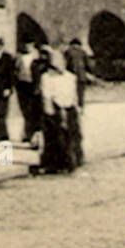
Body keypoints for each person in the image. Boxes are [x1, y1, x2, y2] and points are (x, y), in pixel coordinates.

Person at [32, 46, 83, 174]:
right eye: (55, 62)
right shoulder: (47, 77)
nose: (59, 65)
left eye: (61, 61)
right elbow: (46, 95)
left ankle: (72, 161)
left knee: (72, 135)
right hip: (55, 110)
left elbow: (73, 94)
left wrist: (77, 107)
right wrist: (49, 111)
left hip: (69, 109)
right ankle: (54, 163)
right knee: (54, 137)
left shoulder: (70, 77)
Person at [13, 41, 42, 143]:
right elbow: (15, 70)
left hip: (33, 85)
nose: (27, 47)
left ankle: (32, 134)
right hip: (22, 85)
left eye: (29, 45)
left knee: (33, 110)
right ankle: (27, 133)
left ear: (33, 46)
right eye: (25, 45)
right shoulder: (19, 57)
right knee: (25, 110)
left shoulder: (37, 57)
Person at [64, 38, 91, 110]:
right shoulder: (83, 52)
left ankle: (73, 108)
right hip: (82, 76)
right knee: (81, 94)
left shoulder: (68, 52)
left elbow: (66, 64)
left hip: (71, 76)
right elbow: (88, 65)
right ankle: (81, 108)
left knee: (71, 92)